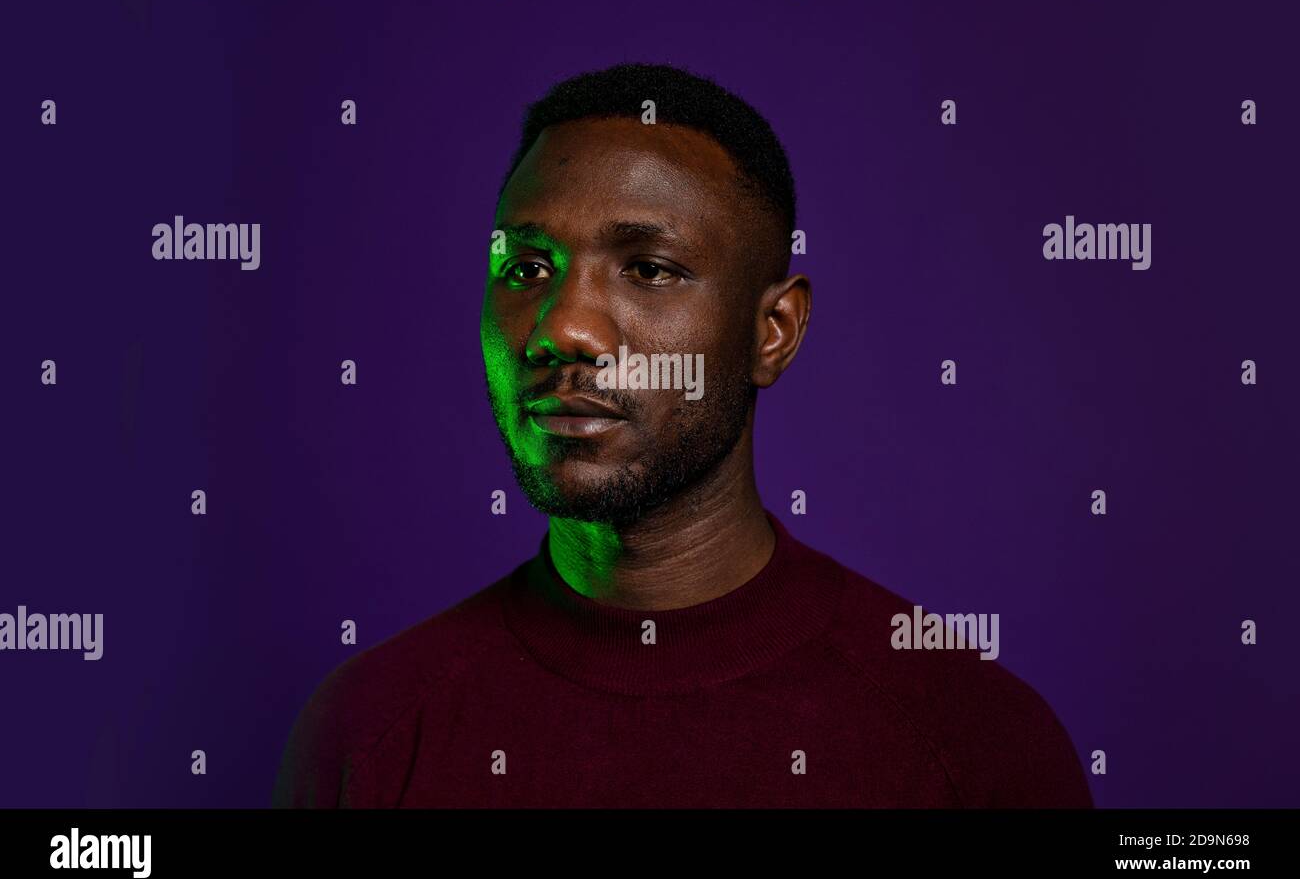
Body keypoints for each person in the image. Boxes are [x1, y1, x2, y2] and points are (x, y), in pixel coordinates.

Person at [272, 62, 1093, 808]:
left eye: (649, 269)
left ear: (772, 331)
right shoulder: (371, 731)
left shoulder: (973, 744)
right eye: (527, 269)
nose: (564, 330)